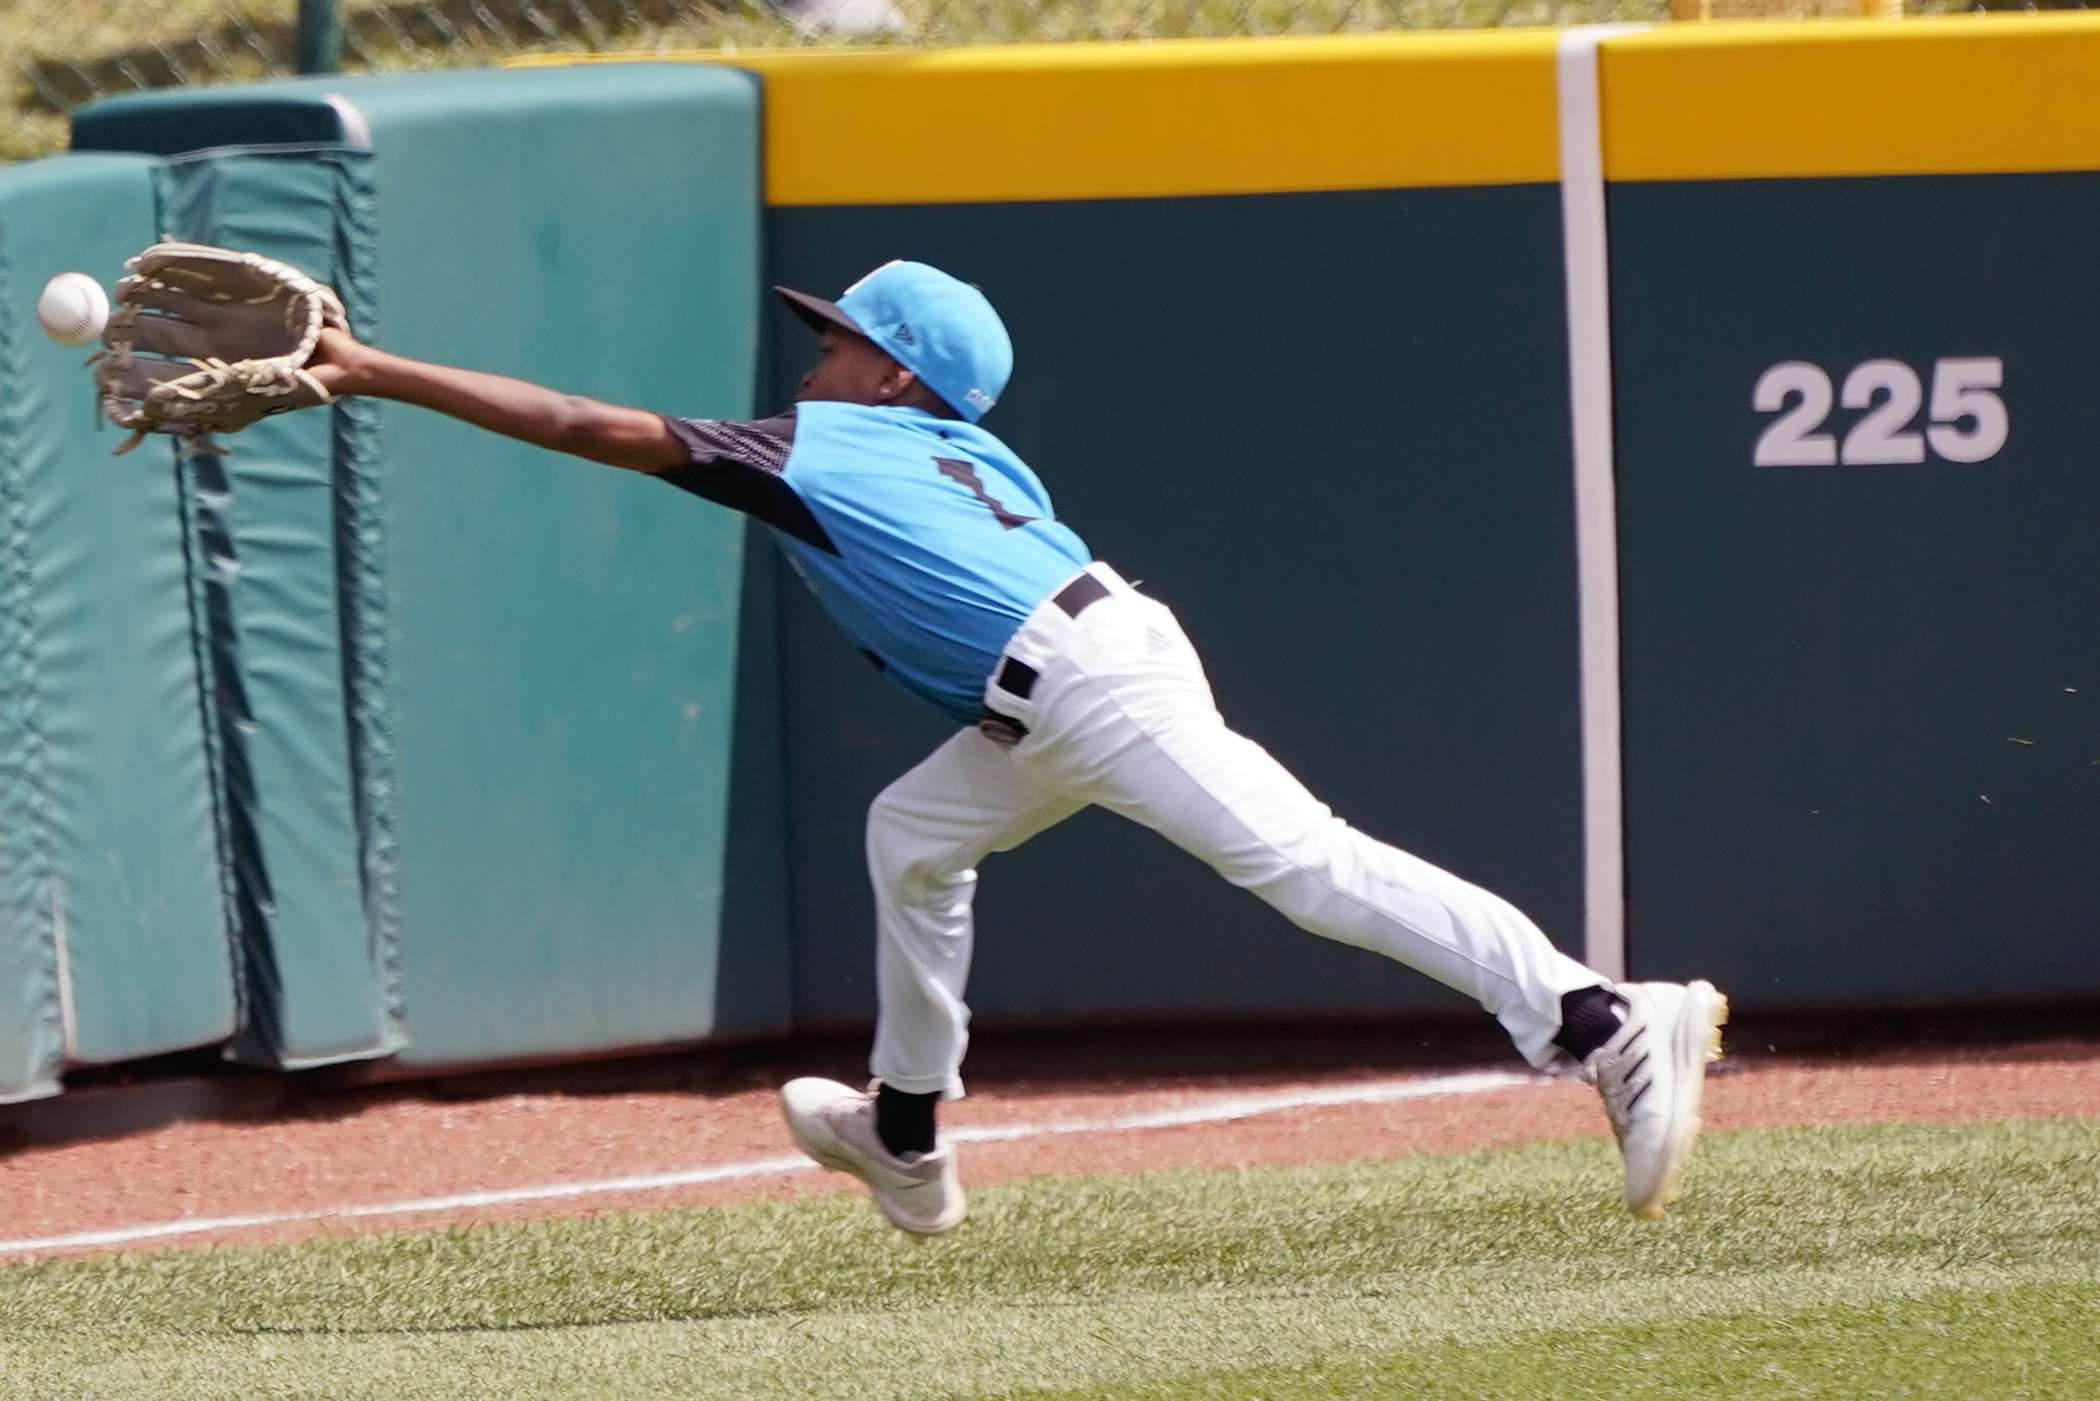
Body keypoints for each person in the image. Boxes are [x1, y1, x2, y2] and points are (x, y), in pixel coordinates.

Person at [307, 259, 1727, 1237]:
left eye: (840, 340)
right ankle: (909, 1135)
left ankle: (1599, 1017)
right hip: (1069, 676)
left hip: (1083, 682)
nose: (818, 354)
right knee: (913, 838)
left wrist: (368, 367)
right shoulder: (961, 453)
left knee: (1307, 866)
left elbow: (583, 422)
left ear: (897, 378)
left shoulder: (835, 441)